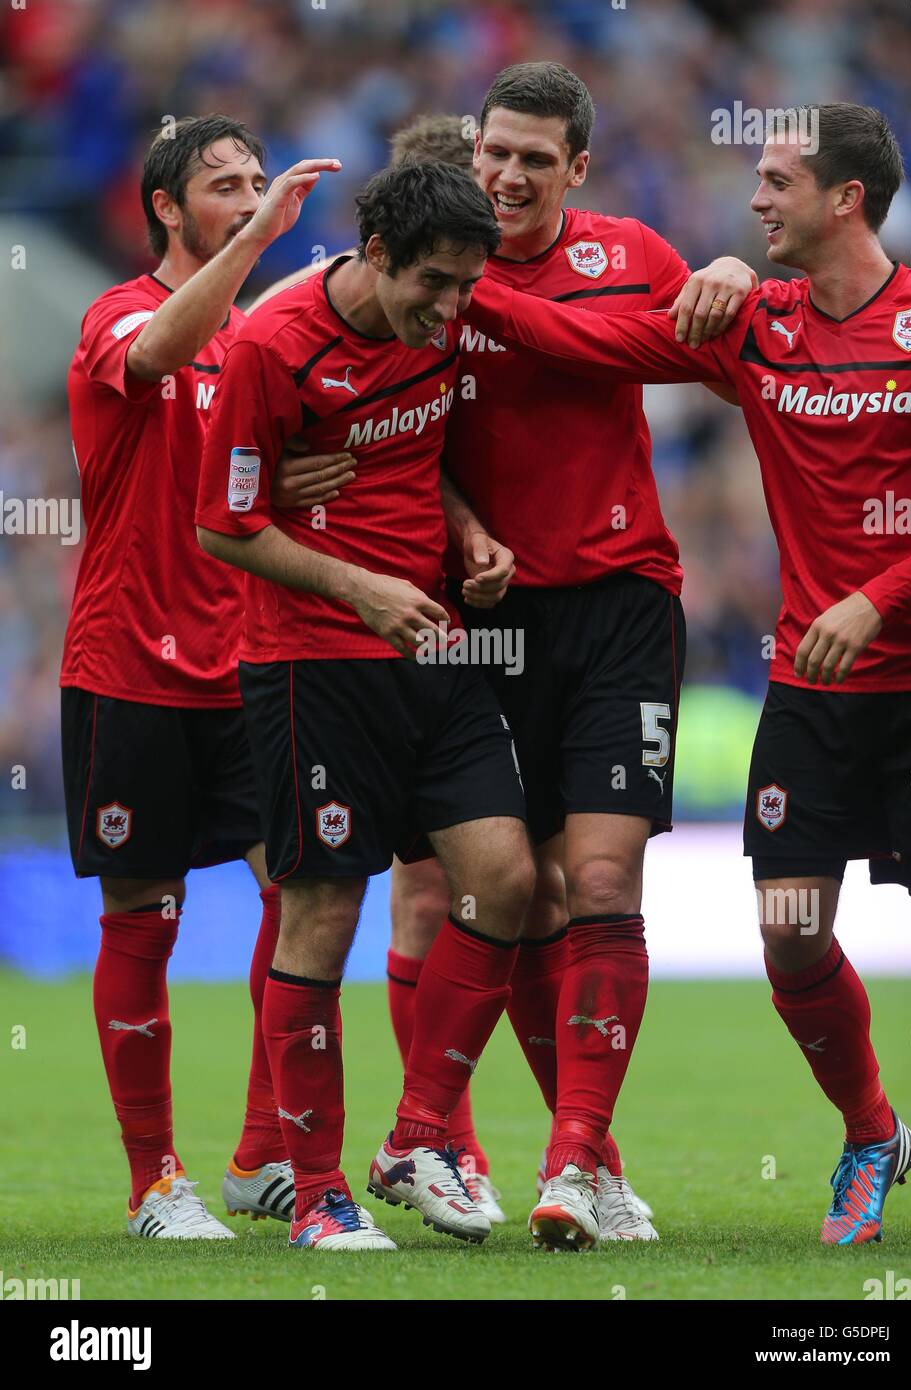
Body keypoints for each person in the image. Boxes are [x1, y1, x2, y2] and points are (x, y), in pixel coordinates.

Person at [276, 63, 755, 1250]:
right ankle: (443, 1140)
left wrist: (736, 269)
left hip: (617, 602)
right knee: (474, 887)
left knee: (593, 882)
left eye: (536, 158)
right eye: (496, 151)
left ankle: (575, 1156)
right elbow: (313, 360)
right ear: (472, 148)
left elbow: (688, 348)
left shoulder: (619, 251)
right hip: (473, 616)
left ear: (577, 170)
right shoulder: (430, 278)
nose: (509, 173)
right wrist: (297, 471)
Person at [459, 101, 911, 1245]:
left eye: (776, 182)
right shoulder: (753, 324)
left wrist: (879, 597)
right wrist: (448, 274)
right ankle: (870, 1133)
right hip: (815, 693)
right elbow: (587, 343)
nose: (755, 201)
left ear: (844, 201)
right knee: (786, 932)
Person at [196, 161, 535, 1252]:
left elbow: (404, 450)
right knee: (324, 916)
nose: (450, 309)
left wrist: (468, 532)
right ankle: (315, 1191)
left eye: (466, 288)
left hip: (429, 645)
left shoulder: (437, 319)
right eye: (434, 283)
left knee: (504, 880)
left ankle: (418, 1131)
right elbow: (221, 524)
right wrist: (357, 586)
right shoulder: (269, 344)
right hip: (312, 661)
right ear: (375, 253)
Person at [62, 114, 340, 1237]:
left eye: (260, 182)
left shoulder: (261, 345)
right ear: (168, 208)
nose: (249, 196)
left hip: (251, 669)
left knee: (302, 896)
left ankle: (259, 1155)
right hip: (130, 663)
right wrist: (255, 246)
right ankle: (151, 1181)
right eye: (223, 184)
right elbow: (156, 357)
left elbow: (261, 491)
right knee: (145, 917)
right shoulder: (119, 316)